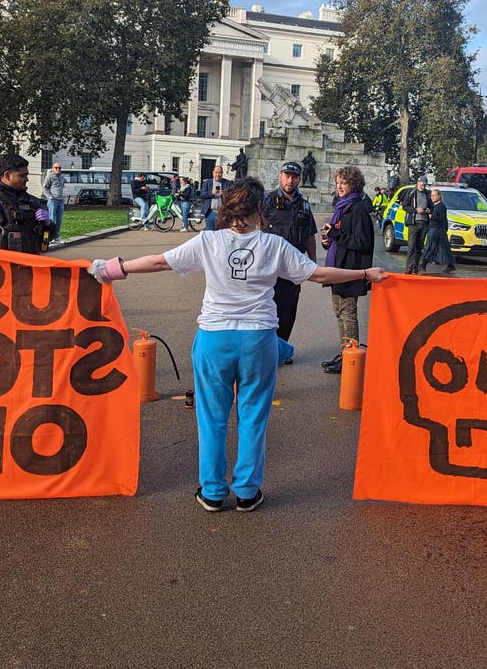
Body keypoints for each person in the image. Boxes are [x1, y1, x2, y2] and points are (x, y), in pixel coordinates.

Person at [87, 176, 388, 512]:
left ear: (227, 209)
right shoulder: (274, 245)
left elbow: (159, 262)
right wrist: (365, 274)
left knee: (211, 418)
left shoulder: (208, 241)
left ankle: (213, 492)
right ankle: (246, 491)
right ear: (260, 209)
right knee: (253, 417)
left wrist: (111, 269)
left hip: (215, 338)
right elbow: (318, 274)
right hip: (259, 339)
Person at [319, 166, 377, 374]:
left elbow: (362, 242)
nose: (339, 186)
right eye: (337, 183)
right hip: (339, 269)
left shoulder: (358, 208)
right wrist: (328, 240)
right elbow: (341, 238)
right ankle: (345, 354)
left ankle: (351, 359)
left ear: (354, 184)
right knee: (340, 313)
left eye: (343, 183)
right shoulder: (342, 206)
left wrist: (335, 233)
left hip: (350, 270)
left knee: (348, 315)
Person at [263, 161, 317, 362]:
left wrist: (312, 263)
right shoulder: (268, 200)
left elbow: (310, 235)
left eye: (294, 177)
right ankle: (265, 350)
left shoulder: (304, 205)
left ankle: (281, 349)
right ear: (280, 176)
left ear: (299, 179)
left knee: (288, 311)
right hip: (269, 265)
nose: (290, 180)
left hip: (293, 268)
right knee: (267, 309)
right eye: (286, 176)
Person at [0, 153, 53, 254]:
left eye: (26, 175)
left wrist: (48, 225)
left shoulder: (31, 201)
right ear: (7, 175)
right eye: (22, 175)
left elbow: (46, 238)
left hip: (29, 262)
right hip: (3, 263)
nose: (27, 179)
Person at [400, 176, 434, 274]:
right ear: (418, 182)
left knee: (419, 247)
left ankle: (415, 267)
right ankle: (409, 267)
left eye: (425, 185)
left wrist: (429, 210)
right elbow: (405, 206)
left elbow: (432, 207)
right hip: (413, 222)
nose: (423, 186)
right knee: (412, 246)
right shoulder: (411, 192)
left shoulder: (428, 193)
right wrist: (415, 210)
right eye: (422, 184)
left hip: (424, 222)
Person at [419, 187, 456, 274]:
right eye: (431, 195)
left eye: (434, 195)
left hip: (437, 229)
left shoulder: (441, 206)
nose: (432, 197)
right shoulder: (434, 206)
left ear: (439, 196)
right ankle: (450, 265)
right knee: (443, 247)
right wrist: (429, 211)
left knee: (430, 247)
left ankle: (423, 264)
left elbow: (442, 218)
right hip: (436, 229)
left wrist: (432, 216)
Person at [42, 162, 68, 244]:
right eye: (56, 168)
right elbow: (45, 188)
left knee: (59, 220)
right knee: (52, 219)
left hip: (60, 201)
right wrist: (50, 197)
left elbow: (62, 187)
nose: (58, 169)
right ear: (53, 168)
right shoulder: (50, 176)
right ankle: (51, 238)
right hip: (53, 201)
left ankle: (56, 237)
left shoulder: (62, 177)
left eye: (59, 168)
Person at [198, 165, 227, 231]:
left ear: (222, 173)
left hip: (223, 213)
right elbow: (202, 194)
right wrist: (211, 193)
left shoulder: (227, 183)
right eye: (216, 172)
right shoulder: (207, 182)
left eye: (220, 173)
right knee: (210, 232)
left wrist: (224, 193)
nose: (218, 174)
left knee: (222, 233)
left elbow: (232, 195)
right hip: (210, 212)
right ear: (213, 173)